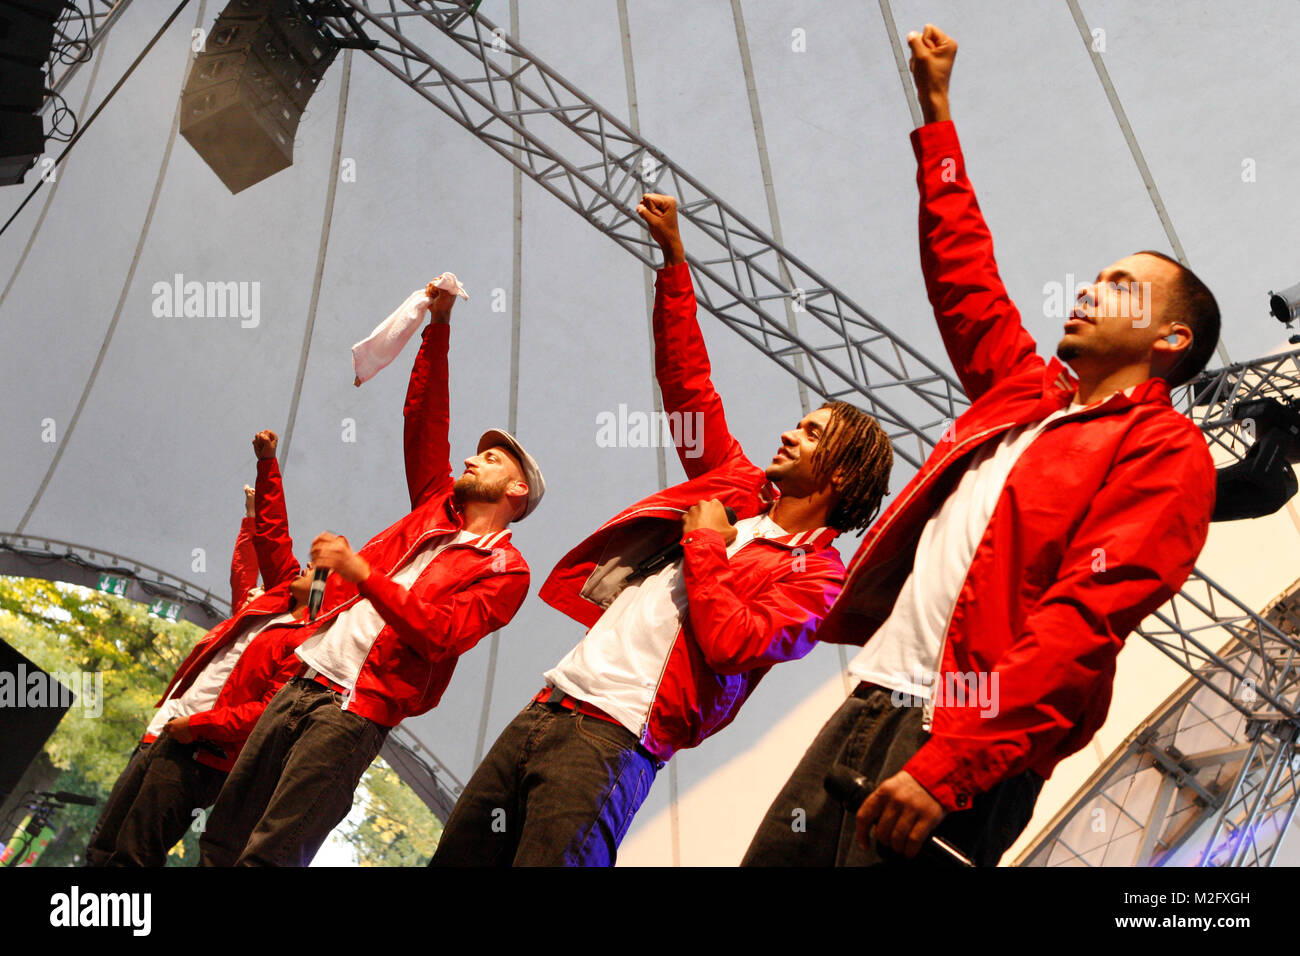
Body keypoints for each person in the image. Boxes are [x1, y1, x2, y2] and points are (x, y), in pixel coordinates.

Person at [742, 24, 1219, 867]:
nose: (1087, 288)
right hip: (874, 705)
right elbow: (963, 268)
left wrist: (954, 765)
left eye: (1119, 286)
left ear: (1171, 338)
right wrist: (936, 114)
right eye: (1094, 274)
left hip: (961, 744)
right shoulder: (1025, 392)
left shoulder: (1164, 451)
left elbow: (1082, 623)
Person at [430, 193, 894, 867]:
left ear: (844, 475)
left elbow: (736, 642)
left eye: (813, 432)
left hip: (616, 739)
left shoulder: (818, 579)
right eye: (800, 422)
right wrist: (674, 262)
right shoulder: (734, 484)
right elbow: (686, 385)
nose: (791, 432)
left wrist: (705, 544)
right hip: (549, 706)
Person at [199, 279, 542, 867]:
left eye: (488, 458)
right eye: (475, 451)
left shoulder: (507, 570)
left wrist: (362, 571)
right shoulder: (437, 501)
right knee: (223, 835)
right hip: (303, 678)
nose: (468, 458)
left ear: (515, 489)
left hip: (355, 712)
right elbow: (425, 419)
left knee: (271, 852)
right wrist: (438, 327)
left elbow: (438, 633)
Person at [85, 445, 309, 867]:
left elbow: (265, 712)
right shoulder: (266, 605)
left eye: (314, 570)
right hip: (167, 728)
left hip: (203, 748)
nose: (302, 569)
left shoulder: (308, 642)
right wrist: (258, 495)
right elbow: (264, 549)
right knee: (104, 845)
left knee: (135, 852)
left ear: (327, 591)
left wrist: (199, 725)